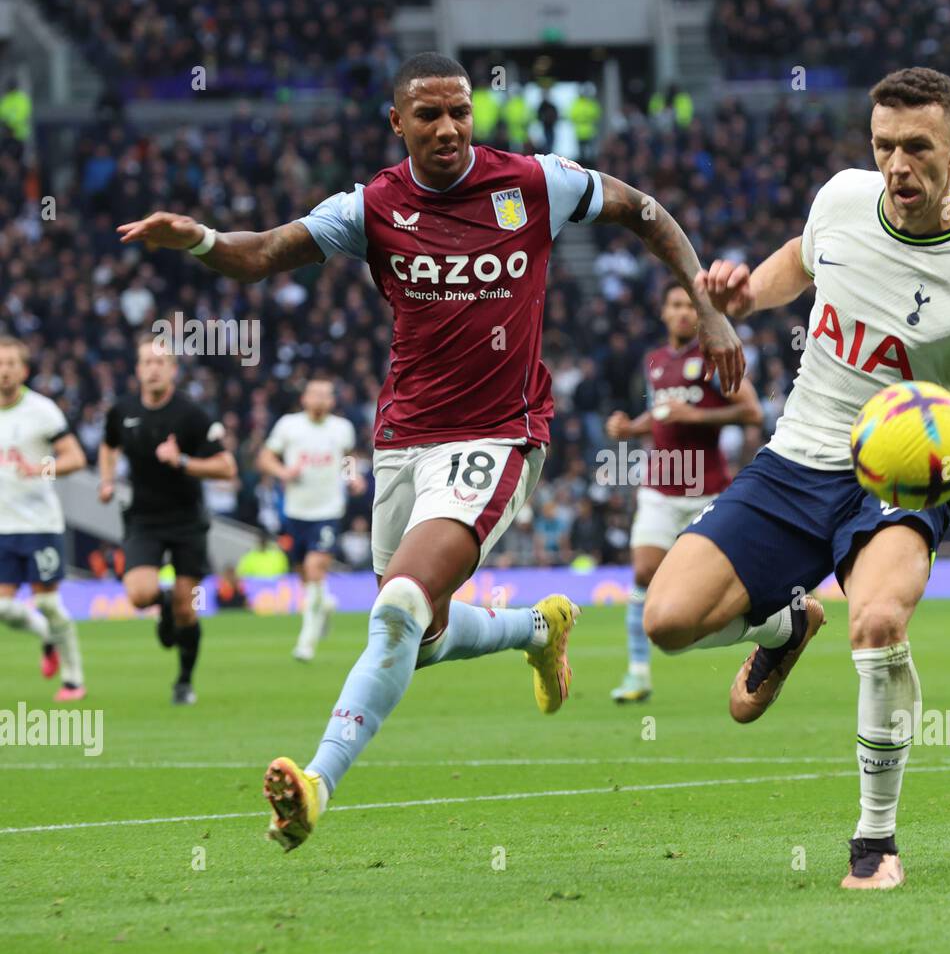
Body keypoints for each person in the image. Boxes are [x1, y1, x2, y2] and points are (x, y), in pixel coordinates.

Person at [116, 51, 745, 853]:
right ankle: (532, 631)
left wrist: (710, 308)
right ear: (397, 123)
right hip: (403, 441)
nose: (447, 128)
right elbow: (263, 252)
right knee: (424, 634)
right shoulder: (373, 206)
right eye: (428, 115)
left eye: (460, 112)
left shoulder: (534, 183)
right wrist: (199, 237)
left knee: (397, 607)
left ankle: (316, 782)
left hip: (500, 435)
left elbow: (645, 211)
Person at [644, 67, 950, 890]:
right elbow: (800, 259)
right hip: (795, 459)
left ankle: (874, 842)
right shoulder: (843, 199)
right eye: (884, 146)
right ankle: (786, 625)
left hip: (901, 479)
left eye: (918, 149)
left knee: (880, 620)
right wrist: (747, 296)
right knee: (666, 621)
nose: (897, 166)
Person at [604, 282, 762, 702]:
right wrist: (631, 428)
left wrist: (696, 414)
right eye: (675, 305)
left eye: (691, 307)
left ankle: (766, 642)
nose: (683, 314)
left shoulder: (714, 355)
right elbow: (661, 416)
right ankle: (638, 672)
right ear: (663, 312)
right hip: (660, 484)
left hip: (707, 489)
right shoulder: (654, 360)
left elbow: (753, 411)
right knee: (642, 573)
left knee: (724, 583)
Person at [99, 335, 238, 705]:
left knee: (186, 609)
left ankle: (184, 681)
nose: (153, 368)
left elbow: (227, 468)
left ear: (174, 370)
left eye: (160, 362)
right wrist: (107, 480)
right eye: (146, 362)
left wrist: (182, 462)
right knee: (139, 594)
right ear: (137, 369)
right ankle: (160, 603)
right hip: (143, 518)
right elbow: (109, 444)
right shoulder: (122, 410)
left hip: (187, 521)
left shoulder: (191, 415)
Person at [0, 335, 88, 701]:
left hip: (39, 524)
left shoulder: (43, 410)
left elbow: (76, 459)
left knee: (49, 602)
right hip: (2, 527)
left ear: (24, 370)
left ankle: (73, 680)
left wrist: (40, 469)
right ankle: (47, 637)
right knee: (3, 608)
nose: (3, 372)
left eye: (11, 365)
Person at [257, 376, 365, 661]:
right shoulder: (288, 425)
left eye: (325, 395)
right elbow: (265, 458)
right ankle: (325, 604)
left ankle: (307, 641)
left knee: (315, 568)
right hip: (295, 512)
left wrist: (352, 478)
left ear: (332, 401)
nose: (319, 399)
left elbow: (347, 458)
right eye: (314, 394)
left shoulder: (342, 428)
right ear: (304, 398)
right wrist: (283, 473)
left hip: (328, 511)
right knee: (304, 574)